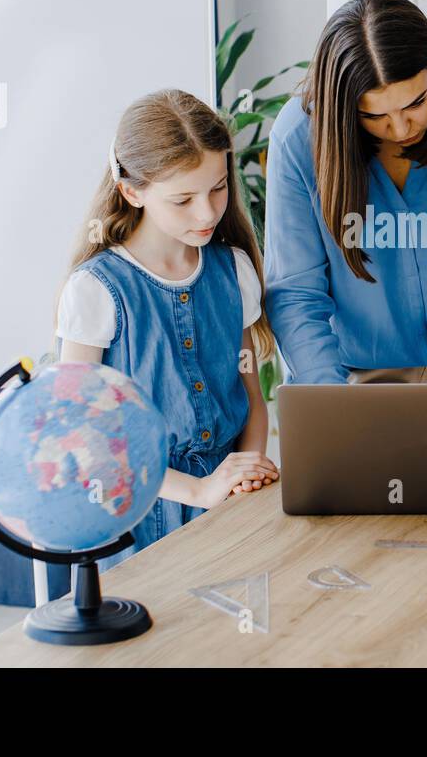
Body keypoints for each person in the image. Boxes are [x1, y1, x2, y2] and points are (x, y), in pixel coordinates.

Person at [57, 89, 279, 568]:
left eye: (218, 188)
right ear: (132, 191)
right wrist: (195, 489)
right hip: (139, 519)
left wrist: (244, 474)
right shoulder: (96, 288)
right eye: (183, 199)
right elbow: (82, 433)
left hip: (228, 510)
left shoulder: (233, 270)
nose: (207, 213)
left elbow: (251, 401)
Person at [265, 0, 427, 385]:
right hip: (338, 378)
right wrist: (330, 397)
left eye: (416, 103)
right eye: (373, 115)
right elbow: (296, 293)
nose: (401, 128)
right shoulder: (295, 136)